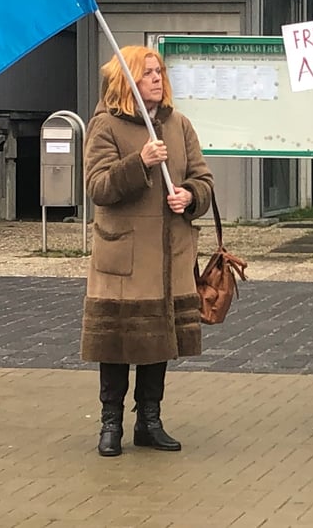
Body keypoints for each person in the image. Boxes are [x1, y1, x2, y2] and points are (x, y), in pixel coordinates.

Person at [80, 45, 214, 457]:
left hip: (169, 254)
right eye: (147, 73)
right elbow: (98, 187)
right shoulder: (105, 126)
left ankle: (149, 420)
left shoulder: (179, 124)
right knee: (117, 342)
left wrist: (190, 197)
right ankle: (111, 423)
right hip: (124, 258)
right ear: (128, 80)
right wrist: (139, 162)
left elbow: (203, 180)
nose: (156, 79)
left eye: (159, 72)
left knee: (159, 342)